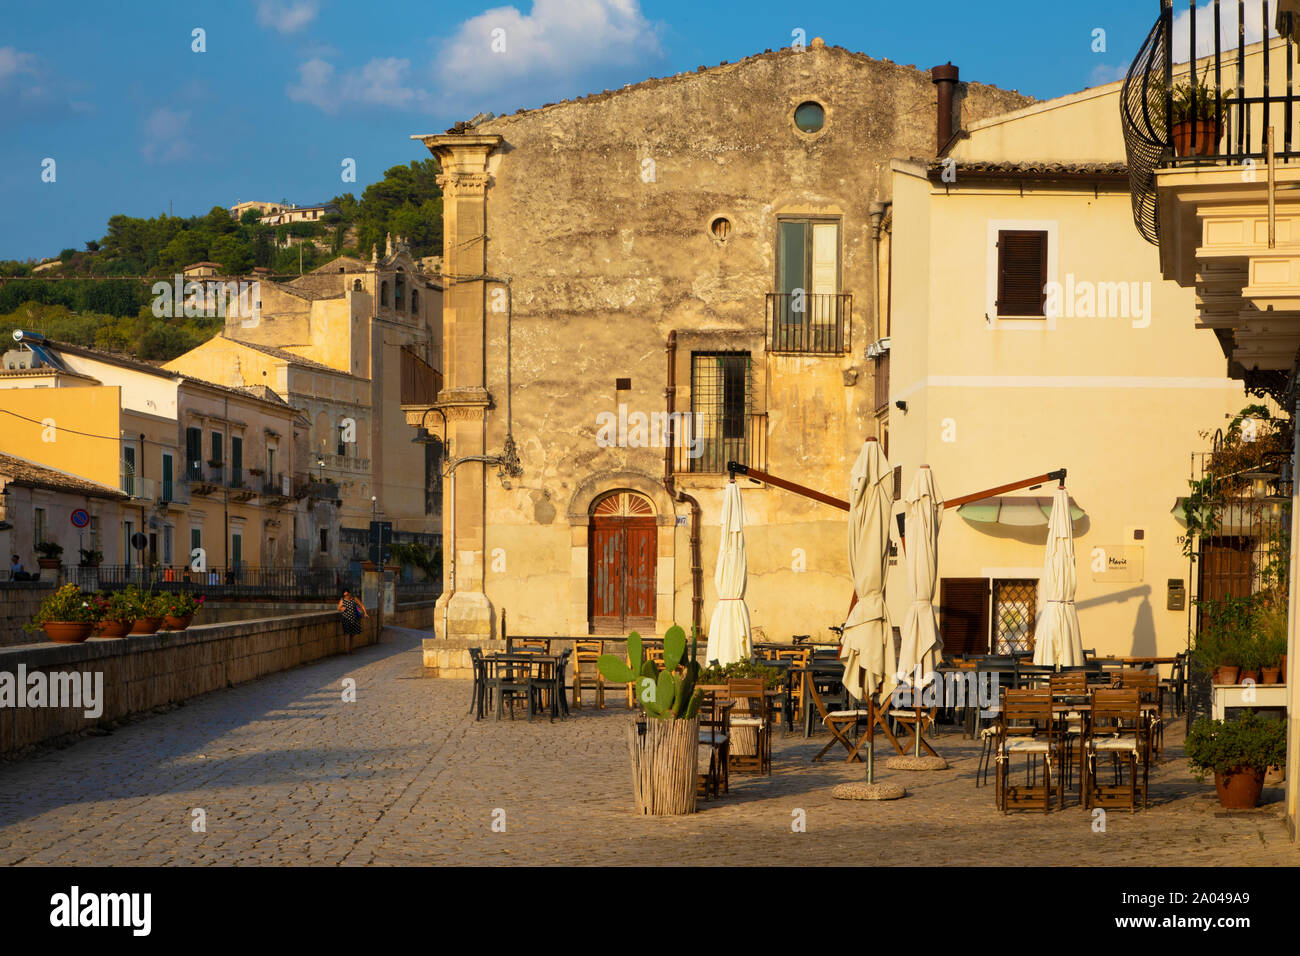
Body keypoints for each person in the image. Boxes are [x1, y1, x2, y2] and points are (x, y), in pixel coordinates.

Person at [337, 589, 368, 653]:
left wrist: (365, 613)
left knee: (352, 635)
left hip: (354, 619)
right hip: (346, 619)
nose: (346, 596)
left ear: (350, 593)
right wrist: (341, 608)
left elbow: (361, 605)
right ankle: (347, 651)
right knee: (347, 634)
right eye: (345, 595)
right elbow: (338, 608)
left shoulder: (354, 599)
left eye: (347, 594)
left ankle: (350, 649)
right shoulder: (342, 600)